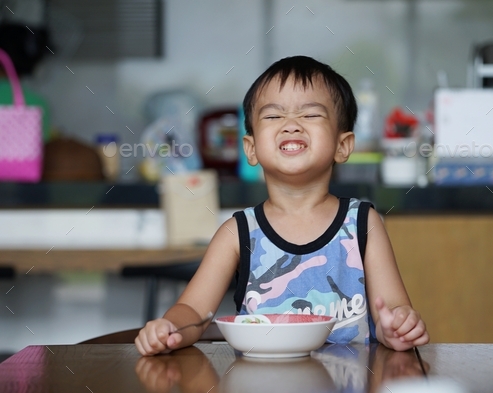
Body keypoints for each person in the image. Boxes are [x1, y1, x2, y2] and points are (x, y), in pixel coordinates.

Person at [135, 56, 429, 356]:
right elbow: (193, 310)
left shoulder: (363, 223)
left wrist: (397, 326)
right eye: (274, 117)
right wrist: (169, 327)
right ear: (250, 148)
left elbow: (390, 309)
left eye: (311, 115)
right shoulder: (238, 233)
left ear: (343, 146)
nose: (291, 125)